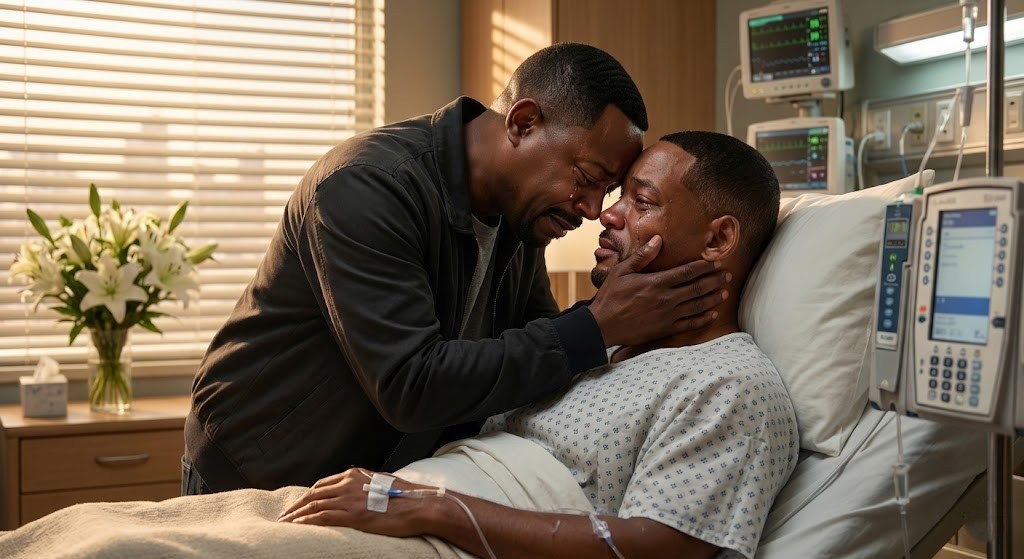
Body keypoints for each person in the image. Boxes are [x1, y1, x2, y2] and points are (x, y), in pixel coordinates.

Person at [183, 43, 731, 494]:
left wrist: (624, 321)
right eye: (587, 177)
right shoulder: (367, 186)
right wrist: (599, 324)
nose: (592, 209)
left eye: (606, 190)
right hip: (257, 470)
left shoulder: (521, 213)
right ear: (523, 122)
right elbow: (410, 384)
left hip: (371, 480)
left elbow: (537, 341)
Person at [277, 131, 798, 559]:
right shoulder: (600, 342)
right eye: (617, 195)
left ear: (717, 240)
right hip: (394, 498)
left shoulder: (730, 384)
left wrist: (434, 507)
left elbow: (659, 547)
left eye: (641, 202)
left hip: (436, 527)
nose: (606, 215)